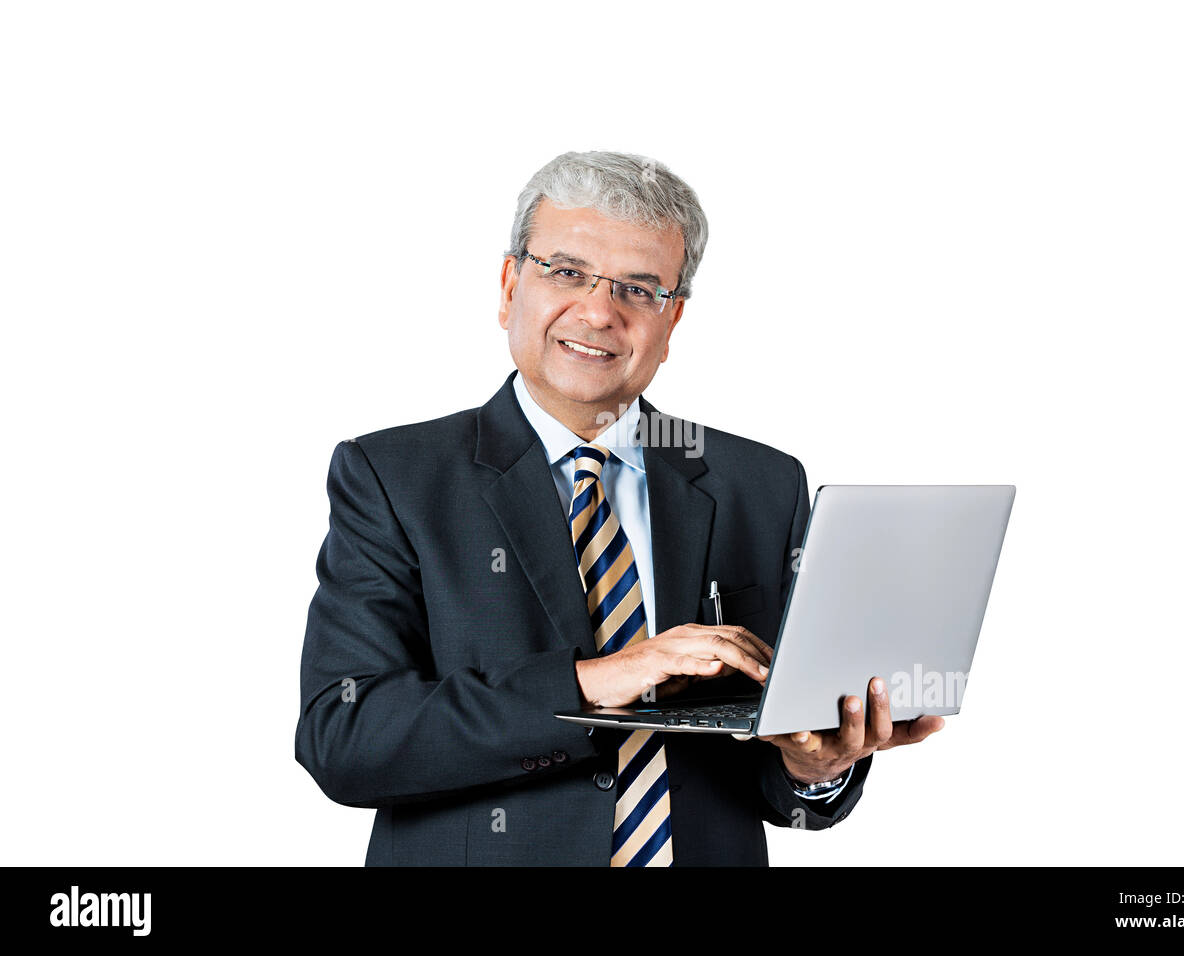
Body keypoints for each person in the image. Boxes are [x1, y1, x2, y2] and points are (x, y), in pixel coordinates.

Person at [294, 150, 944, 866]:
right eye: (566, 272)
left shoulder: (761, 483)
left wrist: (815, 767)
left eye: (639, 288)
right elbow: (344, 738)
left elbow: (769, 768)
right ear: (509, 287)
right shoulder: (394, 477)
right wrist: (600, 679)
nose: (600, 312)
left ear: (673, 319)